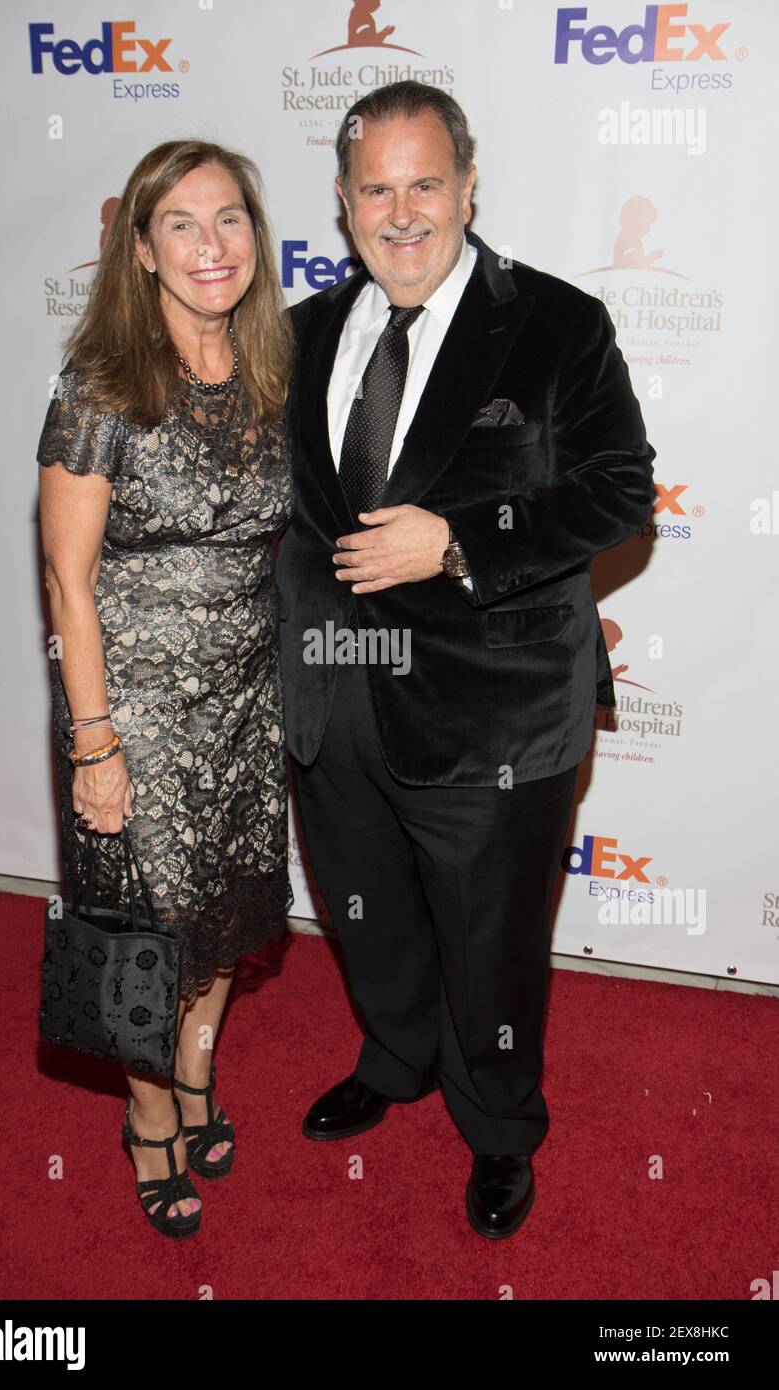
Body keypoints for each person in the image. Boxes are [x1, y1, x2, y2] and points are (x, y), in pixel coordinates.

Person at [276, 81, 656, 1239]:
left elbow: (618, 489)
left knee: (490, 943)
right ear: (342, 205)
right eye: (375, 190)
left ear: (467, 184)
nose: (402, 213)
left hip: (491, 719)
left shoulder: (552, 323)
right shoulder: (293, 334)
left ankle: (497, 1123)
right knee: (367, 913)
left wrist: (456, 540)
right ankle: (393, 1058)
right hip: (334, 697)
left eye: (424, 183)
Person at [37, 139, 294, 1239]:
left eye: (228, 217)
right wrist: (95, 744)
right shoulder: (101, 389)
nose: (209, 244)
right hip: (133, 716)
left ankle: (196, 1080)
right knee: (142, 939)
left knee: (222, 919)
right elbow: (67, 576)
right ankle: (149, 1124)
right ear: (140, 250)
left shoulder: (271, 374)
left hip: (246, 705)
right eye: (180, 224)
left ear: (255, 235)